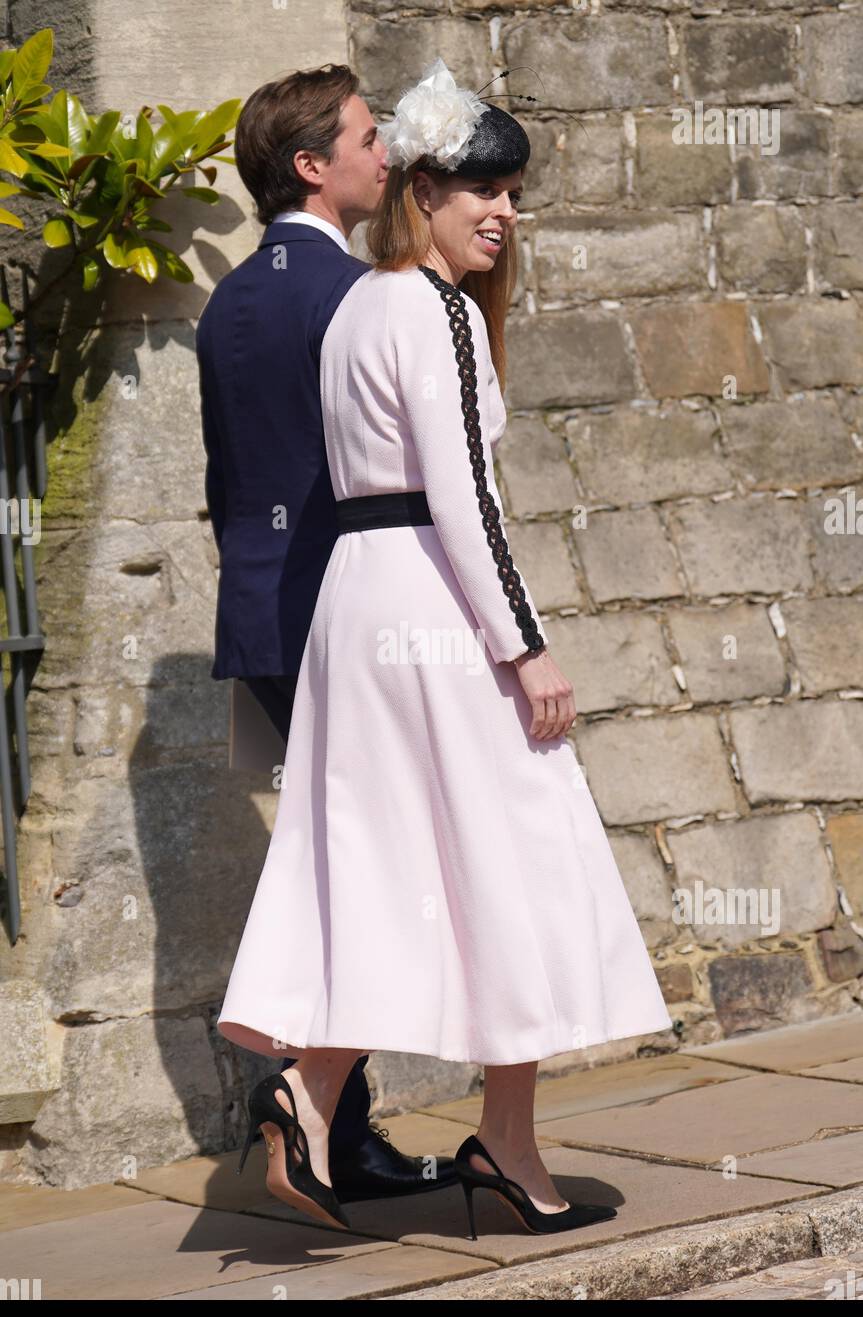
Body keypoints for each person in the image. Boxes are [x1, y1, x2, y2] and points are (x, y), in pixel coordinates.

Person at [218, 57, 674, 1239]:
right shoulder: (433, 310)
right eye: (482, 188)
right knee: (514, 852)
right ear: (420, 186)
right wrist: (526, 648)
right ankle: (502, 1142)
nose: (504, 212)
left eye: (513, 191)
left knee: (389, 858)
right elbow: (463, 497)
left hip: (358, 613)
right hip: (433, 600)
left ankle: (311, 1094)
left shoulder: (359, 305)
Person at [195, 63, 459, 1208]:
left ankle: (335, 1130)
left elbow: (228, 484)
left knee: (337, 868)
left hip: (258, 612)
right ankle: (313, 1103)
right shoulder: (354, 296)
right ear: (314, 165)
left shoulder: (229, 301)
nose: (386, 154)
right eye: (366, 136)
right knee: (378, 872)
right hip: (342, 620)